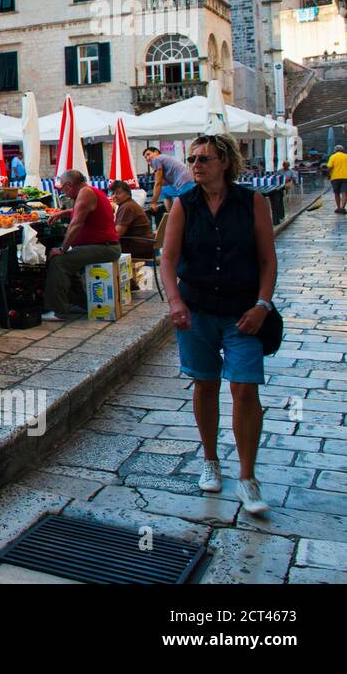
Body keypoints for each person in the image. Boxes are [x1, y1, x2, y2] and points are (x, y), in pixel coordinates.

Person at [160, 133, 277, 516]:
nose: (196, 165)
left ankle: (247, 476)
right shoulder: (184, 204)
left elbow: (267, 260)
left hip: (243, 312)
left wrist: (262, 304)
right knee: (205, 384)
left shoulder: (251, 202)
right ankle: (211, 460)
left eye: (204, 159)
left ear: (225, 163)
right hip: (196, 311)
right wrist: (175, 302)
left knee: (245, 388)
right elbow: (168, 259)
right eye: (192, 158)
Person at [41, 170, 122, 321]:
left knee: (59, 261)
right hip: (104, 245)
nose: (63, 193)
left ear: (69, 186)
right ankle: (82, 302)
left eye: (63, 189)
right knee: (69, 260)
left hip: (105, 248)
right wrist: (62, 213)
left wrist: (62, 249)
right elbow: (81, 210)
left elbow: (76, 225)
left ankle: (58, 311)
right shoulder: (90, 191)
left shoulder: (85, 193)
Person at [109, 179, 154, 259]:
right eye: (113, 193)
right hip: (144, 244)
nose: (114, 196)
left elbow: (118, 233)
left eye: (118, 193)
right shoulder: (129, 204)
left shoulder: (127, 207)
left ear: (128, 194)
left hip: (137, 247)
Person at [144, 146, 194, 211]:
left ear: (156, 152)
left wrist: (153, 202)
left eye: (148, 154)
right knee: (164, 190)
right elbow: (163, 183)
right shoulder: (164, 158)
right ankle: (170, 215)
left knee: (189, 212)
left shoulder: (156, 159)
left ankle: (172, 215)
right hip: (190, 181)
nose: (147, 158)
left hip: (185, 183)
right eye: (145, 157)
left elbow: (158, 183)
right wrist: (153, 169)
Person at [327, 144, 347, 214]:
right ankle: (343, 208)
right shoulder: (346, 156)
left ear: (335, 151)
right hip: (345, 177)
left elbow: (329, 167)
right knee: (344, 193)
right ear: (342, 150)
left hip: (335, 178)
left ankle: (338, 208)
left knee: (336, 193)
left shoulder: (333, 157)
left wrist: (328, 175)